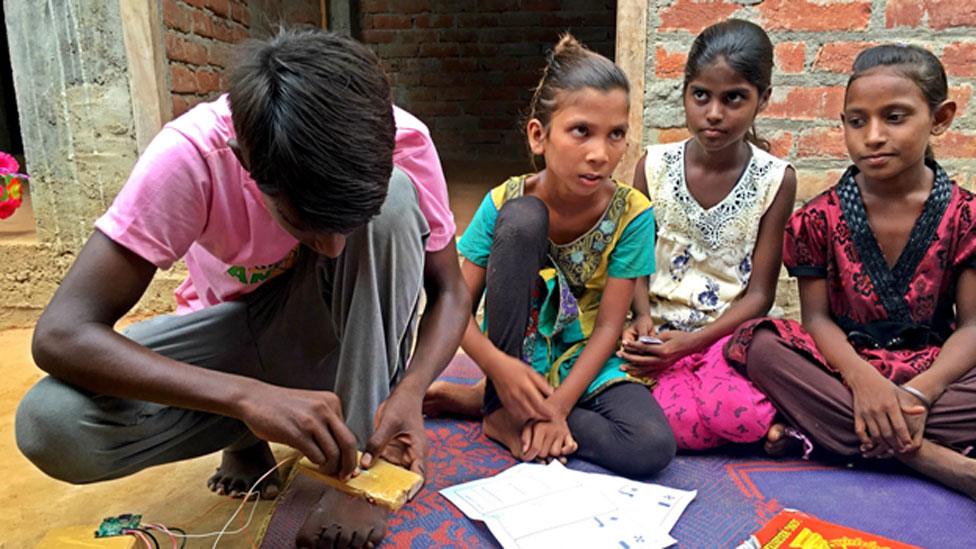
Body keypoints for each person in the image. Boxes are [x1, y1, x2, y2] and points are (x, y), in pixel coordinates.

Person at [15, 28, 469, 547]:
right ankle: (244, 430)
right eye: (307, 224)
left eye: (348, 222)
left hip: (341, 339)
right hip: (233, 347)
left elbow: (451, 291)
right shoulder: (191, 156)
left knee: (393, 202)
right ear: (244, 159)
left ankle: (359, 474)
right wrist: (246, 398)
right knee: (52, 424)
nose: (334, 248)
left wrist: (410, 390)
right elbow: (62, 333)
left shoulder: (402, 141)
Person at [725, 43, 976, 497]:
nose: (873, 136)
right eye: (857, 122)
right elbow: (817, 320)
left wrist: (919, 393)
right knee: (757, 343)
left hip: (937, 375)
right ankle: (932, 458)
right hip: (845, 372)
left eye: (894, 117)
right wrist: (865, 384)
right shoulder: (817, 219)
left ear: (940, 118)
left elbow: (972, 326)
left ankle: (837, 435)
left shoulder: (966, 217)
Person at [424, 34, 676, 477]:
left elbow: (609, 328)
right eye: (581, 131)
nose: (600, 154)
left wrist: (556, 409)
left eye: (616, 135)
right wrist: (500, 369)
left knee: (651, 446)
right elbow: (454, 308)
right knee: (524, 217)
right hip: (516, 363)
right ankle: (498, 403)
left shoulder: (632, 214)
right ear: (539, 136)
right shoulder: (503, 202)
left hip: (586, 363)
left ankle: (503, 411)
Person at [616, 19, 797, 451]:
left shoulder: (775, 180)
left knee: (738, 413)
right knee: (668, 420)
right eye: (701, 95)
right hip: (656, 332)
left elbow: (759, 295)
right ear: (685, 93)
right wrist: (639, 320)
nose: (714, 113)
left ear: (763, 99)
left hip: (726, 338)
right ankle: (753, 428)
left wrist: (693, 343)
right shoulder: (654, 167)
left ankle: (746, 418)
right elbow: (635, 261)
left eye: (733, 98)